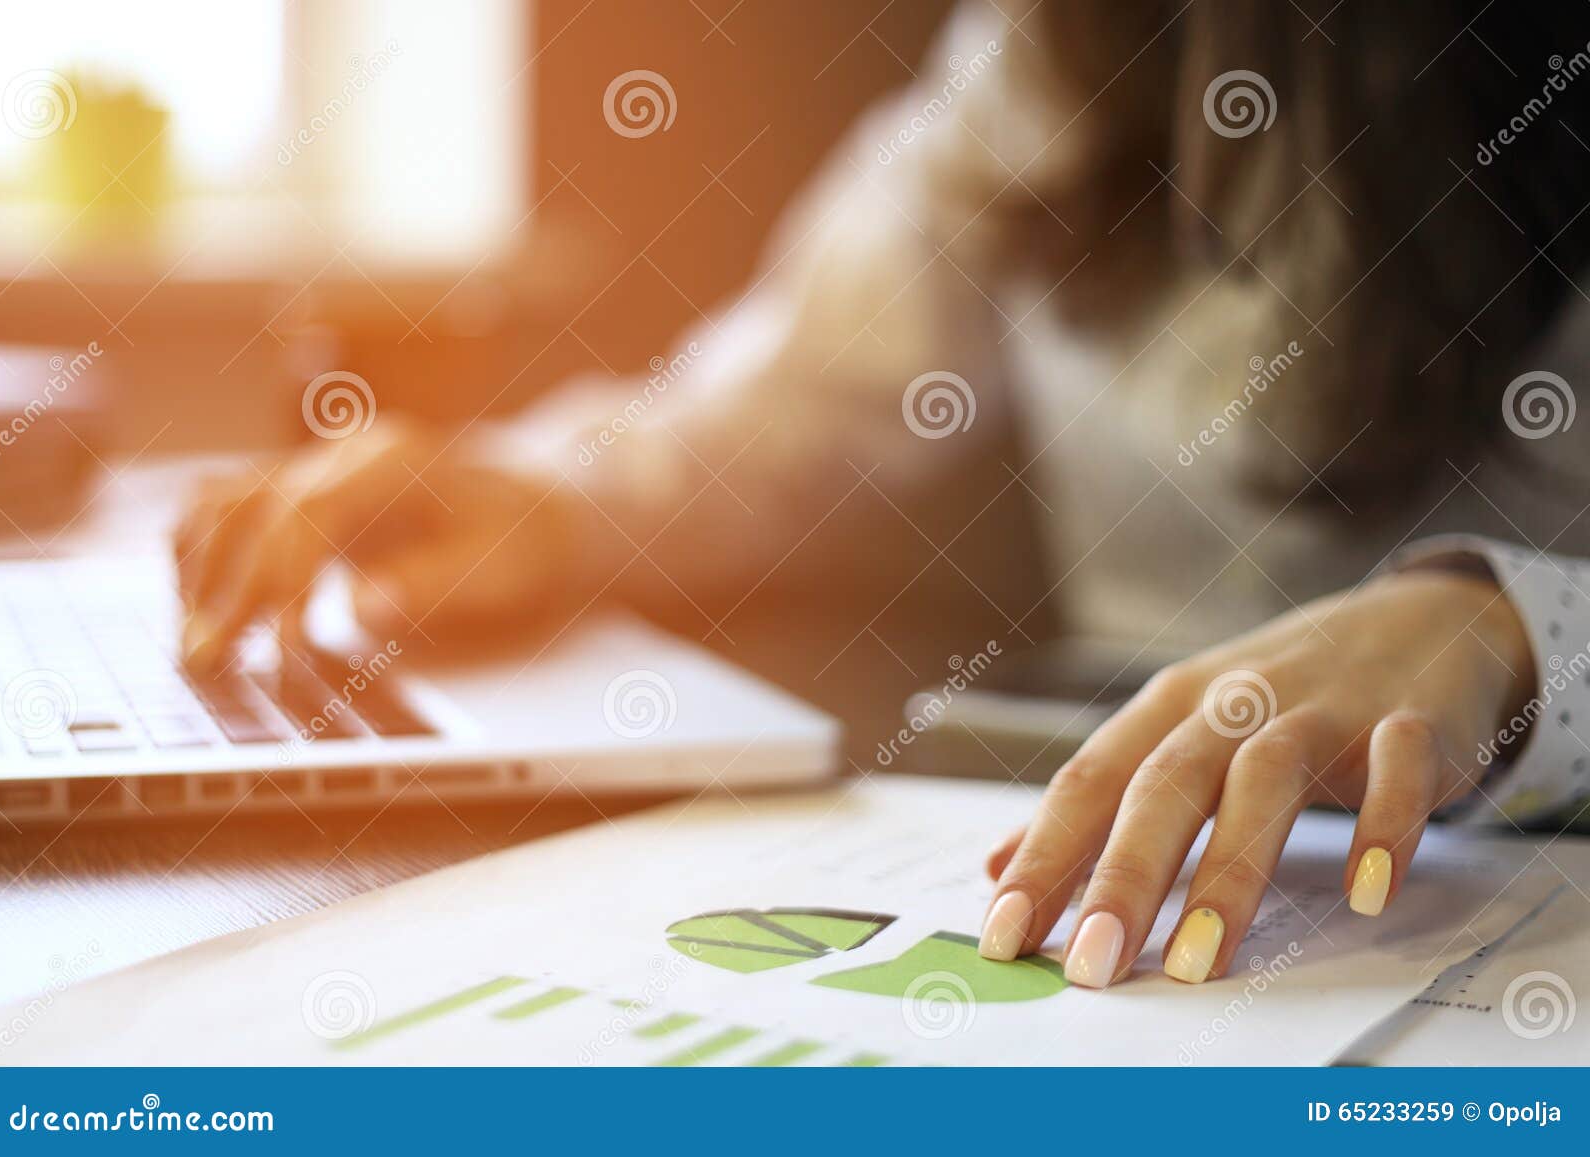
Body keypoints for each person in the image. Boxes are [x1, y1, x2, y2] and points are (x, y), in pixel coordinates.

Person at [175, 1, 1590, 988]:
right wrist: (549, 501)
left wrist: (1517, 632)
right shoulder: (1049, 45)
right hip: (1129, 891)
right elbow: (803, 392)